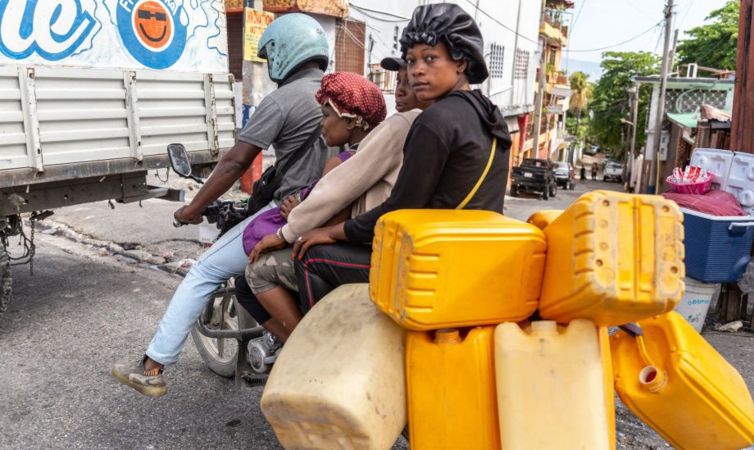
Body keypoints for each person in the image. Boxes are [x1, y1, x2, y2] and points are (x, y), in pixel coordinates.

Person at [112, 13, 332, 397]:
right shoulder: (346, 91)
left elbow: (235, 162)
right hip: (339, 211)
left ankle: (152, 365)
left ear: (283, 52)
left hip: (292, 211)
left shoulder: (282, 101)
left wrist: (192, 208)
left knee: (204, 271)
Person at [291, 3, 511, 309]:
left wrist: (331, 231)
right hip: (471, 258)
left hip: (430, 264)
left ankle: (321, 353)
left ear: (460, 62)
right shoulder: (488, 115)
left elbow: (399, 210)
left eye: (430, 58)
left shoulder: (436, 121)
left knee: (310, 256)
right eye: (411, 61)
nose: (417, 70)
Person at [240, 59, 431, 349]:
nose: (401, 91)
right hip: (397, 244)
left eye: (409, 83)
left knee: (257, 271)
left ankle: (307, 351)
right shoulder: (433, 126)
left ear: (351, 118)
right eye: (400, 82)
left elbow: (336, 195)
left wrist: (285, 232)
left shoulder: (401, 125)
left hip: (372, 248)